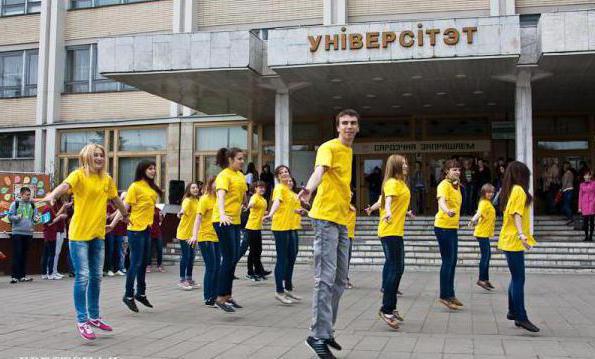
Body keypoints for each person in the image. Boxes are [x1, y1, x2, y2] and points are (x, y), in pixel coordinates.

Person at [41, 143, 128, 340]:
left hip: (98, 234)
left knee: (97, 276)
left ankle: (95, 317)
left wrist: (124, 214)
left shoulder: (106, 179)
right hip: (79, 234)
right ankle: (82, 320)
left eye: (101, 155)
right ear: (87, 157)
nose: (99, 158)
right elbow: (65, 186)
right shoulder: (78, 175)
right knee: (83, 276)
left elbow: (116, 199)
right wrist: (53, 195)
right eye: (95, 155)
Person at [299, 109, 359, 359]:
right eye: (344, 123)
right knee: (325, 277)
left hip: (342, 219)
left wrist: (348, 200)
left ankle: (326, 330)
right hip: (325, 219)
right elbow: (320, 172)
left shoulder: (349, 151)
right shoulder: (328, 147)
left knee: (340, 278)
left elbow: (339, 182)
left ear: (357, 128)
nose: (348, 126)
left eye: (353, 123)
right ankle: (317, 335)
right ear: (337, 127)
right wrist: (308, 190)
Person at [112, 160, 162, 313]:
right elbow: (124, 207)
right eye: (150, 168)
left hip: (147, 229)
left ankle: (140, 293)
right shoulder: (135, 186)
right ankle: (128, 295)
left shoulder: (152, 188)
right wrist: (113, 224)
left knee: (144, 262)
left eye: (154, 168)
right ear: (143, 170)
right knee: (135, 263)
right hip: (135, 230)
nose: (153, 171)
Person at [370, 155, 412, 329]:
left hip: (396, 230)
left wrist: (405, 213)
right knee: (395, 269)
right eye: (402, 165)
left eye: (406, 164)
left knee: (398, 268)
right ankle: (386, 309)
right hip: (389, 231)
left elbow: (392, 202)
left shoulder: (401, 183)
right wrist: (387, 212)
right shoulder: (392, 183)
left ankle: (391, 306)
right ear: (394, 166)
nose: (406, 167)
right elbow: (387, 202)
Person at [498, 161, 539, 333]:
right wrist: (522, 234)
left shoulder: (511, 190)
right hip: (514, 240)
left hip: (510, 239)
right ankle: (521, 317)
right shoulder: (519, 190)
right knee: (519, 279)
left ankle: (513, 311)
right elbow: (516, 213)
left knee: (516, 277)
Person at [212, 147, 248, 312]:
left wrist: (245, 203)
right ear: (230, 160)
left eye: (243, 159)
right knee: (227, 258)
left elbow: (242, 194)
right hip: (223, 221)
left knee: (233, 258)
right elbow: (220, 196)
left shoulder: (240, 175)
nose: (242, 161)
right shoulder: (223, 175)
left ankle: (227, 295)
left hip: (235, 220)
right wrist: (222, 214)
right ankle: (220, 297)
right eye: (239, 159)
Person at [264, 166, 303, 304]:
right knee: (282, 259)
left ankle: (288, 288)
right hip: (281, 227)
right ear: (278, 177)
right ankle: (279, 291)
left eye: (286, 171)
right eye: (281, 173)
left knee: (292, 257)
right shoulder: (279, 188)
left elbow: (292, 207)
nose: (285, 174)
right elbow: (277, 203)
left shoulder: (290, 191)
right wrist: (270, 214)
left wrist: (300, 211)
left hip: (292, 227)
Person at [434, 159, 463, 310]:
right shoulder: (443, 185)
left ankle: (450, 294)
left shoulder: (457, 186)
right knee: (447, 261)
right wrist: (447, 211)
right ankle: (444, 295)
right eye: (454, 170)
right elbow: (442, 202)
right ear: (446, 171)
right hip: (443, 226)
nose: (457, 172)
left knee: (453, 261)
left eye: (458, 169)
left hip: (452, 227)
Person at [189, 177, 220, 307]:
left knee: (217, 267)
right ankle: (208, 297)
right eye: (215, 183)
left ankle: (216, 295)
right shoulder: (204, 199)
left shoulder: (220, 198)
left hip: (217, 236)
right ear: (210, 184)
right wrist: (194, 235)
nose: (218, 185)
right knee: (211, 267)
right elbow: (198, 218)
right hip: (205, 236)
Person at [8, 186, 39, 283]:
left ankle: (22, 276)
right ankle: (14, 276)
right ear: (21, 195)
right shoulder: (15, 204)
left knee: (24, 255)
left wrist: (36, 220)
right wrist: (17, 217)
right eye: (27, 195)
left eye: (30, 195)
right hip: (17, 233)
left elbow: (35, 218)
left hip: (28, 233)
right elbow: (9, 216)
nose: (29, 197)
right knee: (17, 254)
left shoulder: (33, 205)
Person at [469, 183, 496, 291]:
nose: (490, 194)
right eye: (488, 192)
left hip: (485, 232)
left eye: (492, 192)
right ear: (483, 193)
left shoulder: (487, 203)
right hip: (482, 233)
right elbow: (479, 213)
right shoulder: (484, 203)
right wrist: (472, 220)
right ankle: (481, 279)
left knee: (487, 255)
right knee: (485, 256)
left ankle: (486, 279)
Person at [176, 182, 201, 290]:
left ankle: (189, 279)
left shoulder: (197, 200)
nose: (195, 189)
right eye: (193, 188)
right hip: (184, 233)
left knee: (191, 257)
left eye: (196, 188)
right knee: (186, 256)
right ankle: (182, 280)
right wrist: (181, 212)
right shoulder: (187, 200)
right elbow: (183, 209)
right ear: (188, 190)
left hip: (193, 234)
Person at [244, 181, 270, 280]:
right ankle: (251, 272)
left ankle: (258, 271)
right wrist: (249, 206)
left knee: (258, 250)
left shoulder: (263, 199)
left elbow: (262, 211)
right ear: (255, 188)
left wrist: (266, 215)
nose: (262, 189)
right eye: (259, 187)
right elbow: (251, 203)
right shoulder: (254, 197)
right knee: (254, 251)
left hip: (258, 227)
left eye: (263, 187)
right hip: (251, 227)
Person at [41, 202, 67, 280]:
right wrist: (59, 218)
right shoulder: (47, 209)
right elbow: (48, 223)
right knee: (51, 254)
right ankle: (50, 273)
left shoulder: (49, 208)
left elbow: (54, 216)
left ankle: (45, 273)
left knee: (47, 254)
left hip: (50, 234)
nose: (54, 200)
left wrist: (62, 209)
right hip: (49, 234)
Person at [106, 200, 127, 276]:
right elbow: (109, 218)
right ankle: (109, 269)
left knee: (118, 251)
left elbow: (125, 220)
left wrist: (123, 218)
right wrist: (118, 212)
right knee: (110, 251)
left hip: (119, 232)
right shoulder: (108, 207)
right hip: (111, 232)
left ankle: (117, 269)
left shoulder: (121, 208)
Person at [52, 198, 71, 278]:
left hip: (62, 229)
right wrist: (63, 207)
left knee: (58, 252)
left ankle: (55, 271)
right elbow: (55, 216)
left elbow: (65, 215)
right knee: (55, 252)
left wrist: (65, 208)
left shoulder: (62, 202)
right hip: (56, 230)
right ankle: (52, 271)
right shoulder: (53, 203)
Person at [147, 206, 165, 273]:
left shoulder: (158, 209)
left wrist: (160, 216)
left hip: (157, 232)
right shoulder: (147, 208)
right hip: (149, 232)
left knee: (159, 249)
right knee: (149, 249)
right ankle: (148, 265)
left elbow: (161, 220)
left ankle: (159, 265)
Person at [578, 170, 595, 242]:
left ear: (590, 176)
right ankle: (586, 236)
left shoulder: (594, 183)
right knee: (585, 222)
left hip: (592, 204)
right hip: (584, 205)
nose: (586, 177)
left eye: (587, 175)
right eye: (585, 175)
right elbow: (580, 196)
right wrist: (579, 207)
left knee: (591, 222)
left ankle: (591, 236)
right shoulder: (581, 185)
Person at [346, 199, 356, 290]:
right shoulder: (343, 202)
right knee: (344, 258)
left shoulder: (350, 204)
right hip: (344, 234)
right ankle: (344, 280)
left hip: (350, 235)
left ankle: (344, 278)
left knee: (347, 258)